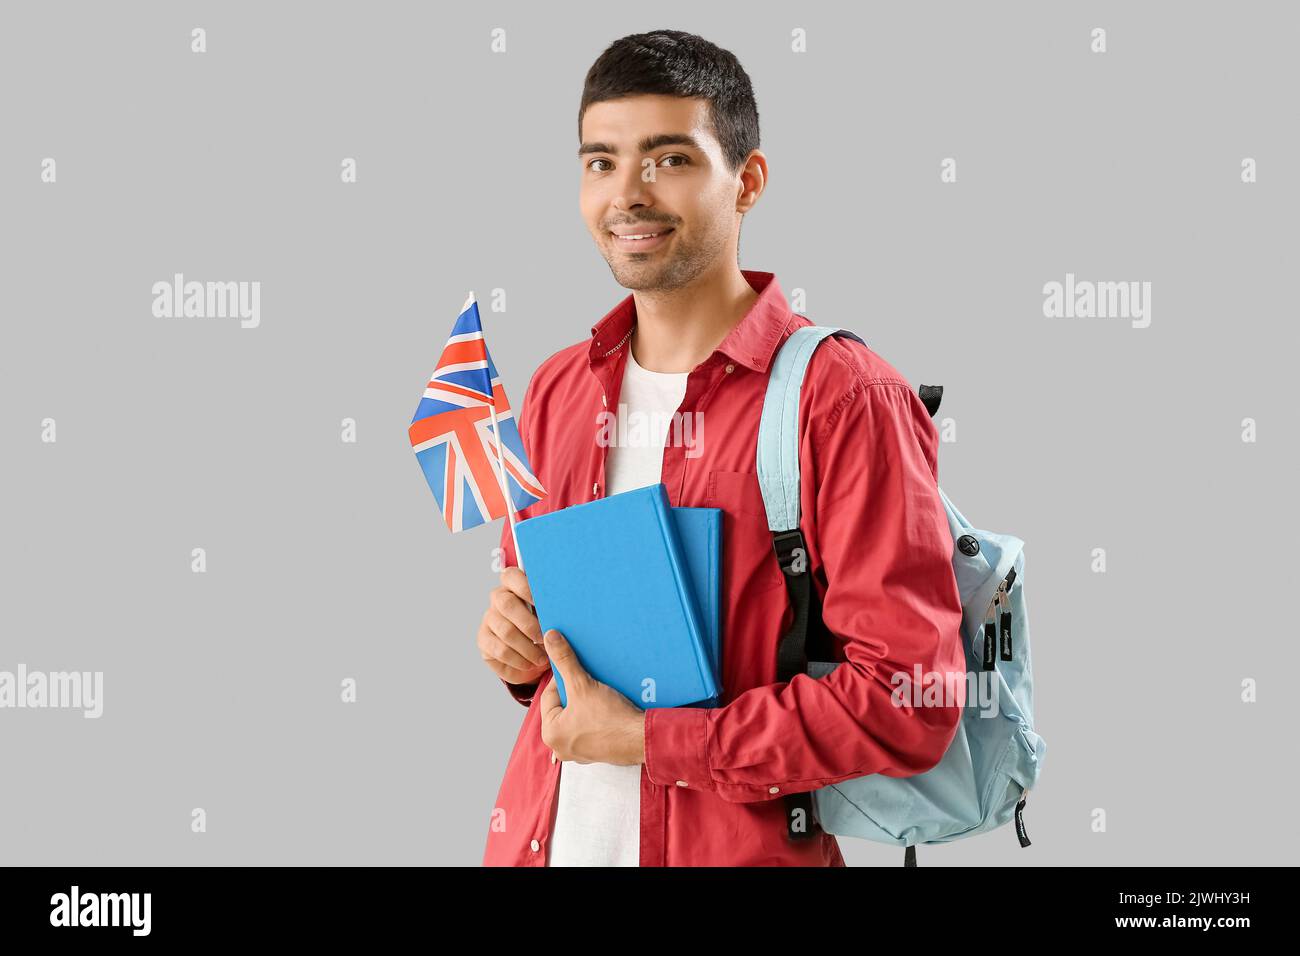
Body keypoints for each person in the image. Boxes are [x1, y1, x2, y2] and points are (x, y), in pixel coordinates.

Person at [476, 29, 965, 867]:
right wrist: (518, 651)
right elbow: (559, 661)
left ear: (748, 181)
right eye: (601, 163)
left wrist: (656, 740)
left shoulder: (843, 399)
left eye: (668, 159)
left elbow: (908, 700)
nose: (628, 193)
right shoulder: (557, 388)